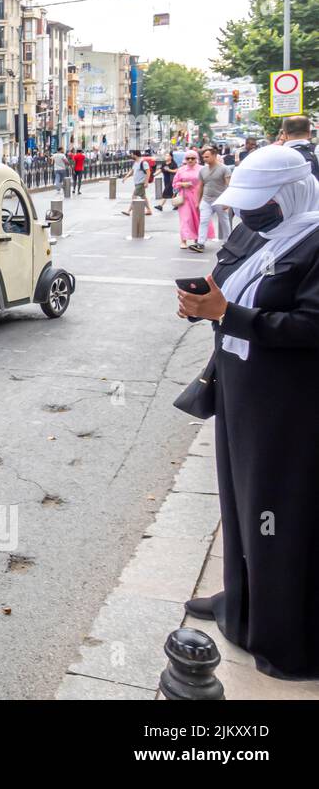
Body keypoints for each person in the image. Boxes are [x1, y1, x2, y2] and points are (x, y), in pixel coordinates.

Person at [177, 145, 319, 680]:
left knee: (278, 510)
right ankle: (242, 602)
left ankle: (285, 633)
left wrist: (229, 314)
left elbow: (310, 326)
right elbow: (223, 284)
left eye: (262, 206)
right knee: (239, 500)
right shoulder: (251, 231)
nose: (251, 215)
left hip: (291, 404)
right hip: (241, 387)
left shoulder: (315, 239)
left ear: (293, 193)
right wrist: (201, 306)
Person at [194, 146, 233, 253]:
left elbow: (229, 186)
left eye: (207, 157)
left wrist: (228, 201)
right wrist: (198, 201)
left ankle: (227, 242)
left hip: (220, 199)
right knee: (203, 221)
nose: (205, 159)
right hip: (206, 200)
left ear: (214, 156)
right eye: (203, 157)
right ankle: (200, 243)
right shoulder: (202, 170)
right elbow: (200, 186)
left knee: (224, 221)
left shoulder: (224, 169)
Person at [172, 150, 203, 249]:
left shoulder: (202, 169)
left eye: (192, 158)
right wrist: (182, 184)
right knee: (185, 219)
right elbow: (174, 184)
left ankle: (197, 239)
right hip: (184, 198)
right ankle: (183, 240)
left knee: (198, 219)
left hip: (199, 197)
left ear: (196, 159)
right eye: (188, 158)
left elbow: (207, 182)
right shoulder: (181, 170)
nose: (190, 160)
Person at [121, 149, 153, 217]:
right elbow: (132, 171)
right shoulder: (136, 162)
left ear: (135, 155)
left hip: (141, 183)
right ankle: (149, 210)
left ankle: (129, 211)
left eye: (132, 154)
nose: (131, 156)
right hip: (137, 183)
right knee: (143, 197)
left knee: (134, 196)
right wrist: (125, 177)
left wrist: (146, 182)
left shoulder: (143, 163)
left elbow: (148, 172)